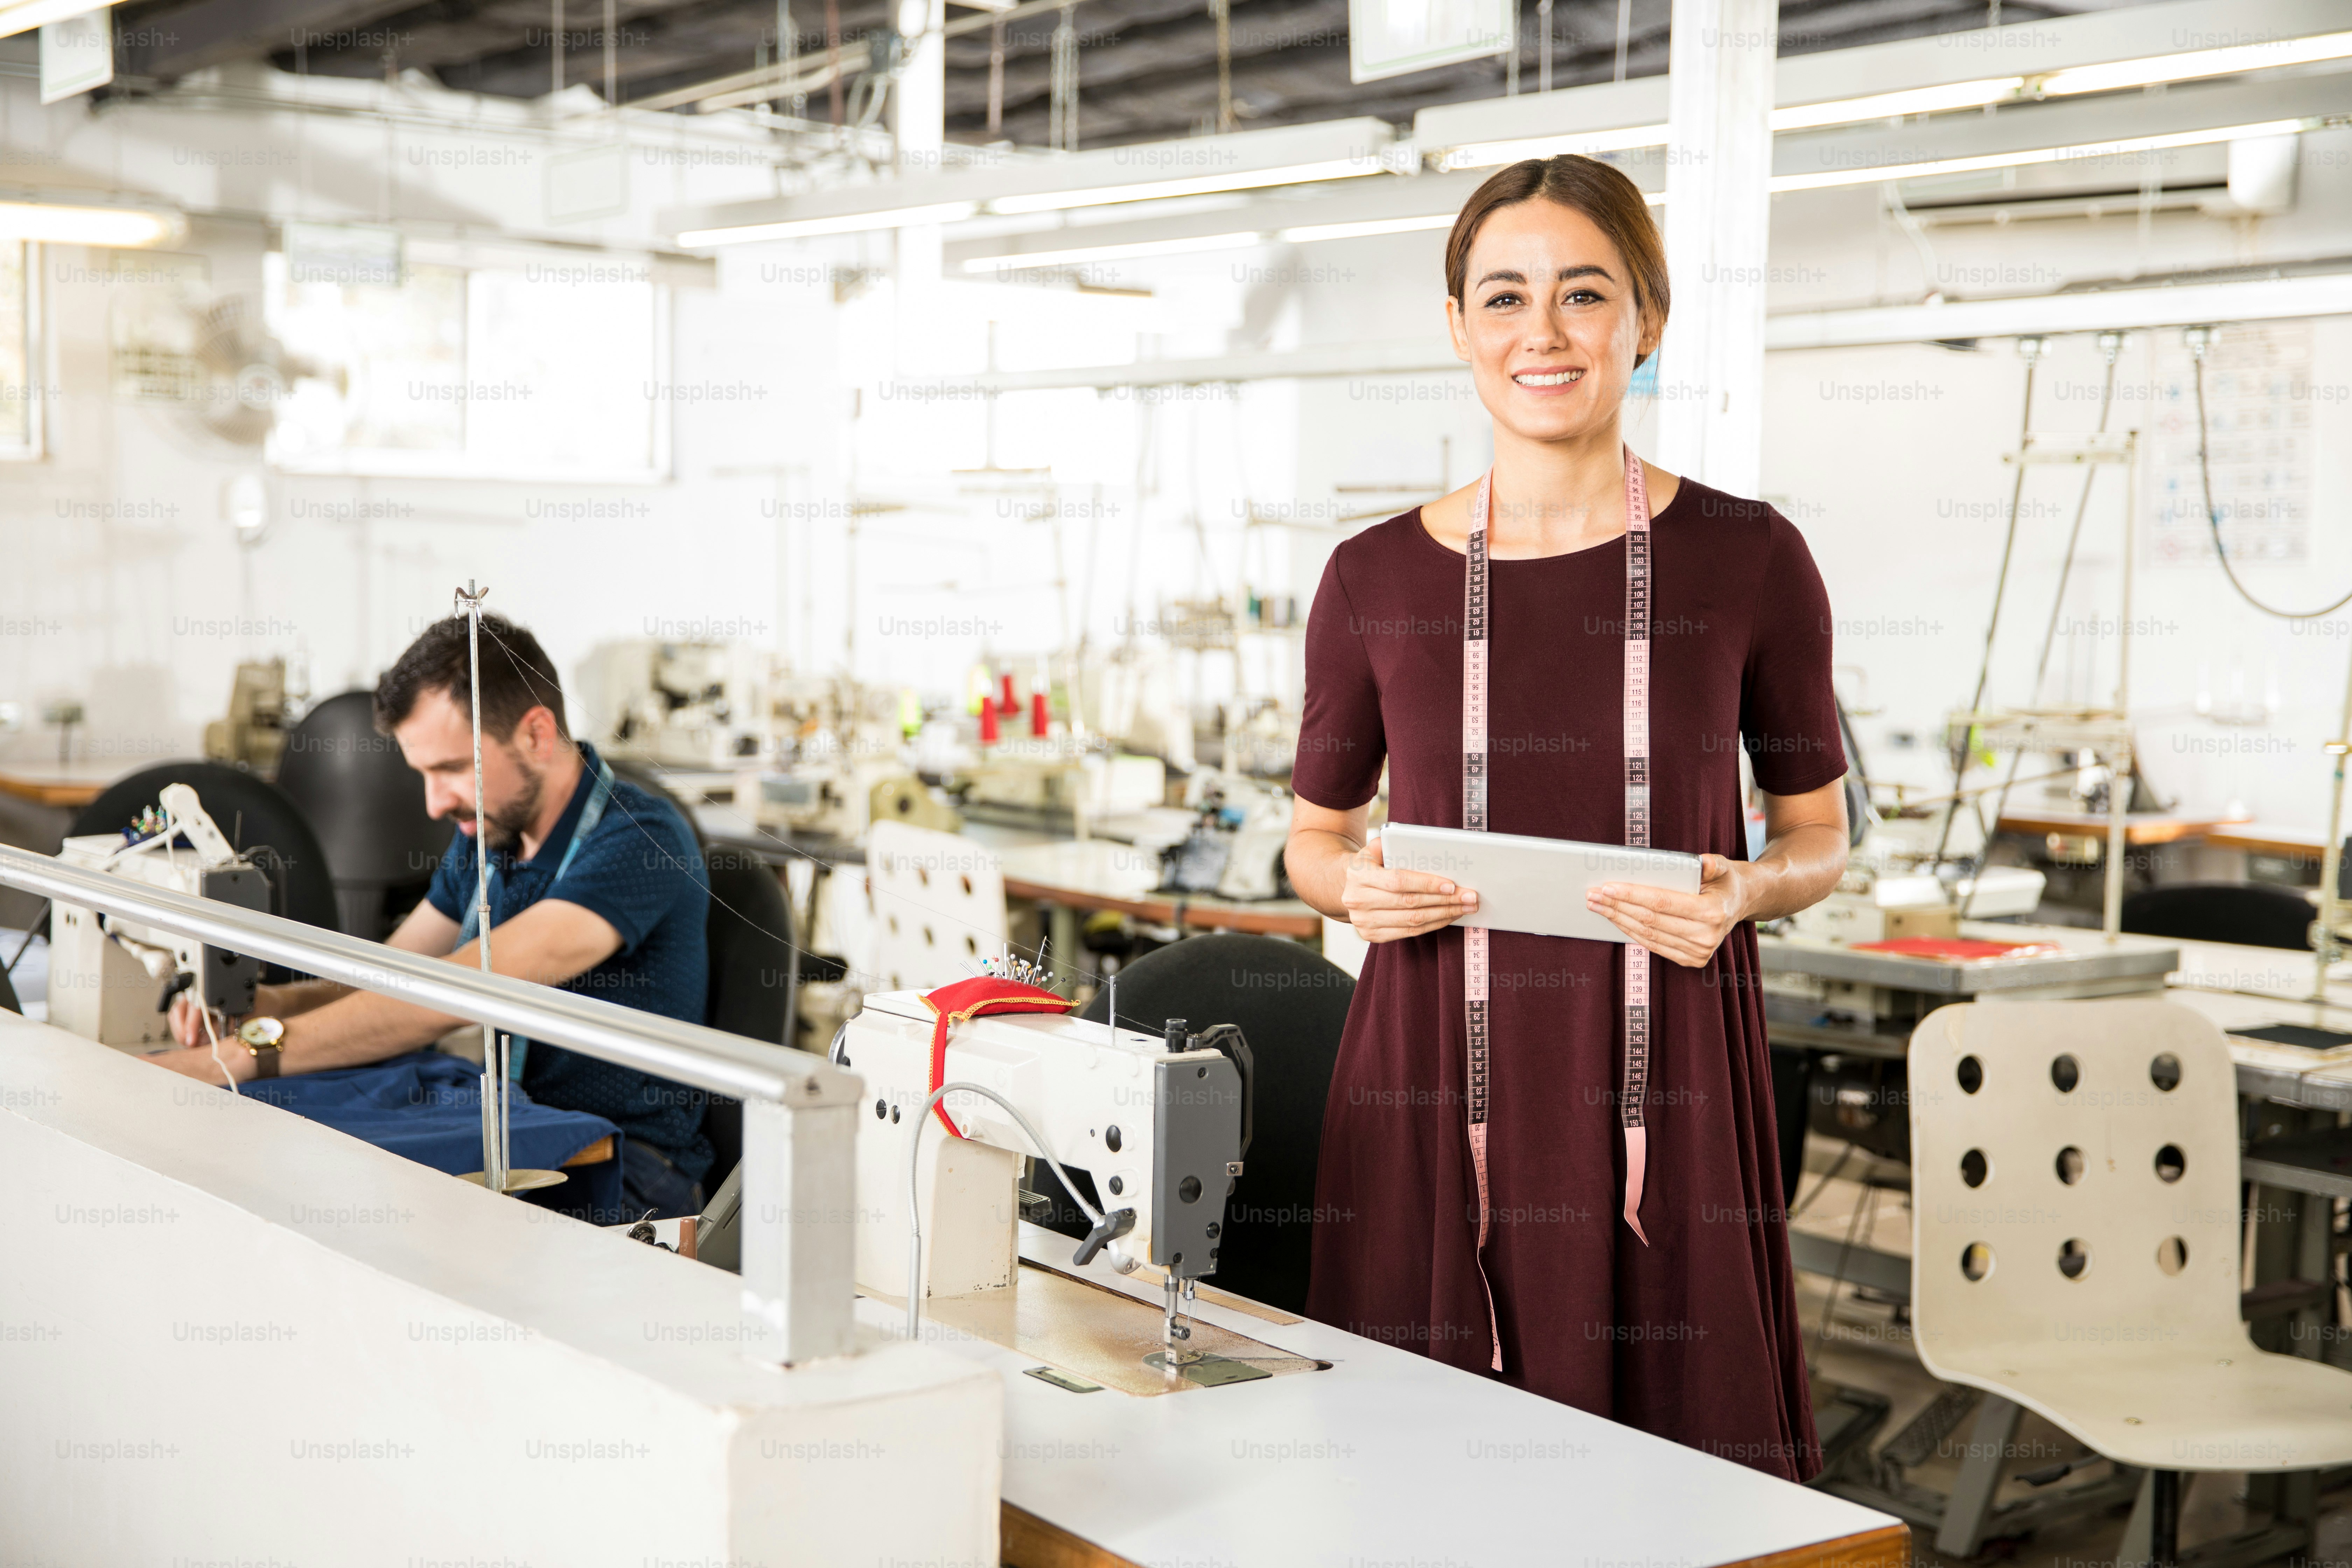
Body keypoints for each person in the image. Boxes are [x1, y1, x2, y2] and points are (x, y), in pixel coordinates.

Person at [1282, 155, 1849, 1481]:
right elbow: (1312, 838)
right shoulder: (1369, 578)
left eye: (1583, 295)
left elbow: (1816, 836)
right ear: (1458, 328)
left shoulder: (1749, 559)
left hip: (1670, 1077)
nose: (1541, 332)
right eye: (1504, 297)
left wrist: (1743, 894)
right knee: (1415, 1485)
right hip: (1431, 1068)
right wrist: (1347, 889)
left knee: (1673, 1485)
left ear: (1647, 320)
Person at [147, 614, 715, 1220]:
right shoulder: (490, 832)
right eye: (424, 774)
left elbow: (455, 993)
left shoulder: (641, 841)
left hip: (622, 1167)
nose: (435, 803)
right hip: (503, 1124)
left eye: (450, 770)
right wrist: (274, 1010)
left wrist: (239, 1057)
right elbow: (391, 972)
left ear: (537, 736)